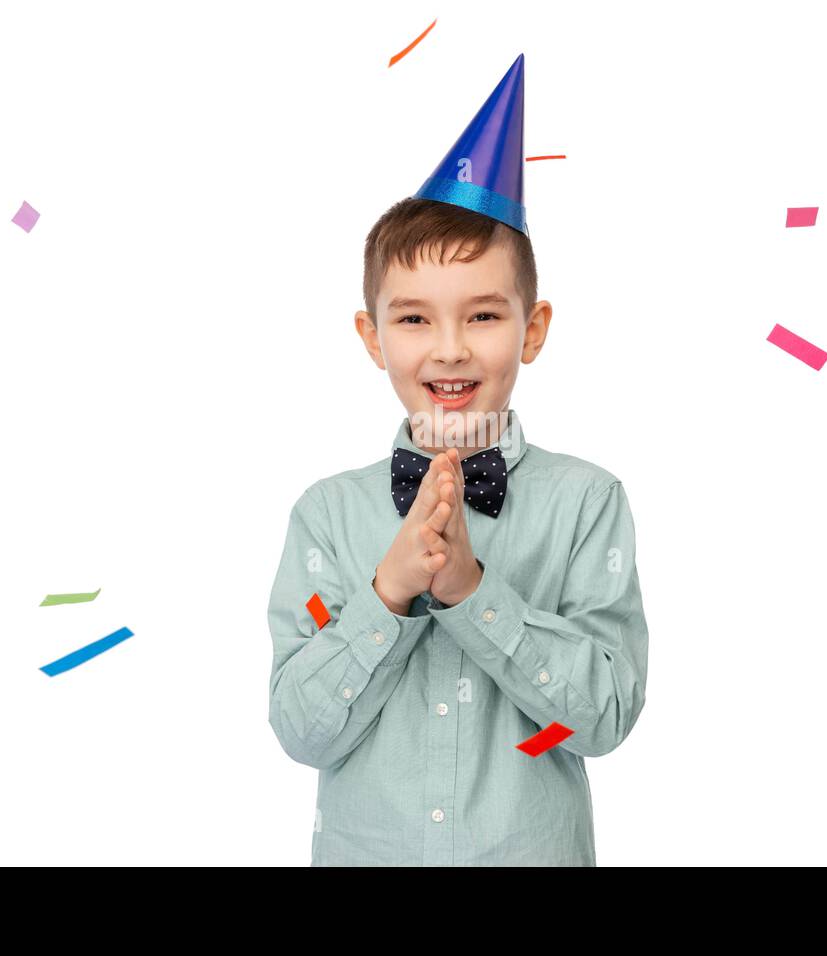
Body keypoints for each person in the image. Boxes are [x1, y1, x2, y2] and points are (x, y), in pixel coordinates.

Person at [267, 54, 648, 865]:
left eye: (482, 315)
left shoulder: (587, 502)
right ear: (372, 337)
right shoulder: (327, 516)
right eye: (412, 319)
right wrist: (388, 593)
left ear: (532, 329)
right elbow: (301, 731)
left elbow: (606, 719)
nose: (448, 349)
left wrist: (476, 594)